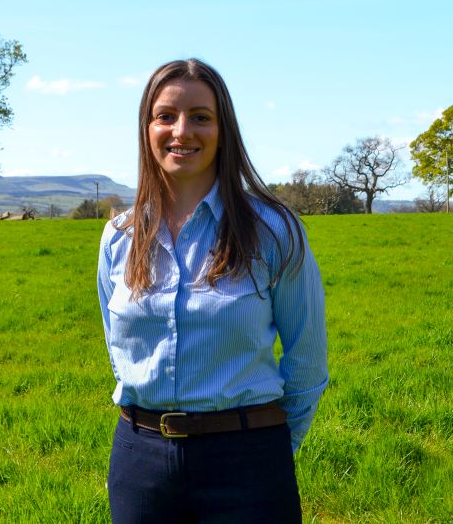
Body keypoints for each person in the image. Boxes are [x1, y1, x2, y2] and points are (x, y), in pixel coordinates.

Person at [97, 58, 329, 523]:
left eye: (200, 116)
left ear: (224, 129)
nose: (182, 131)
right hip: (141, 464)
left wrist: (265, 452)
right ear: (147, 128)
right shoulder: (119, 237)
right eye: (166, 116)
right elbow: (119, 354)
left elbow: (307, 363)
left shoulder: (274, 231)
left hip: (248, 464)